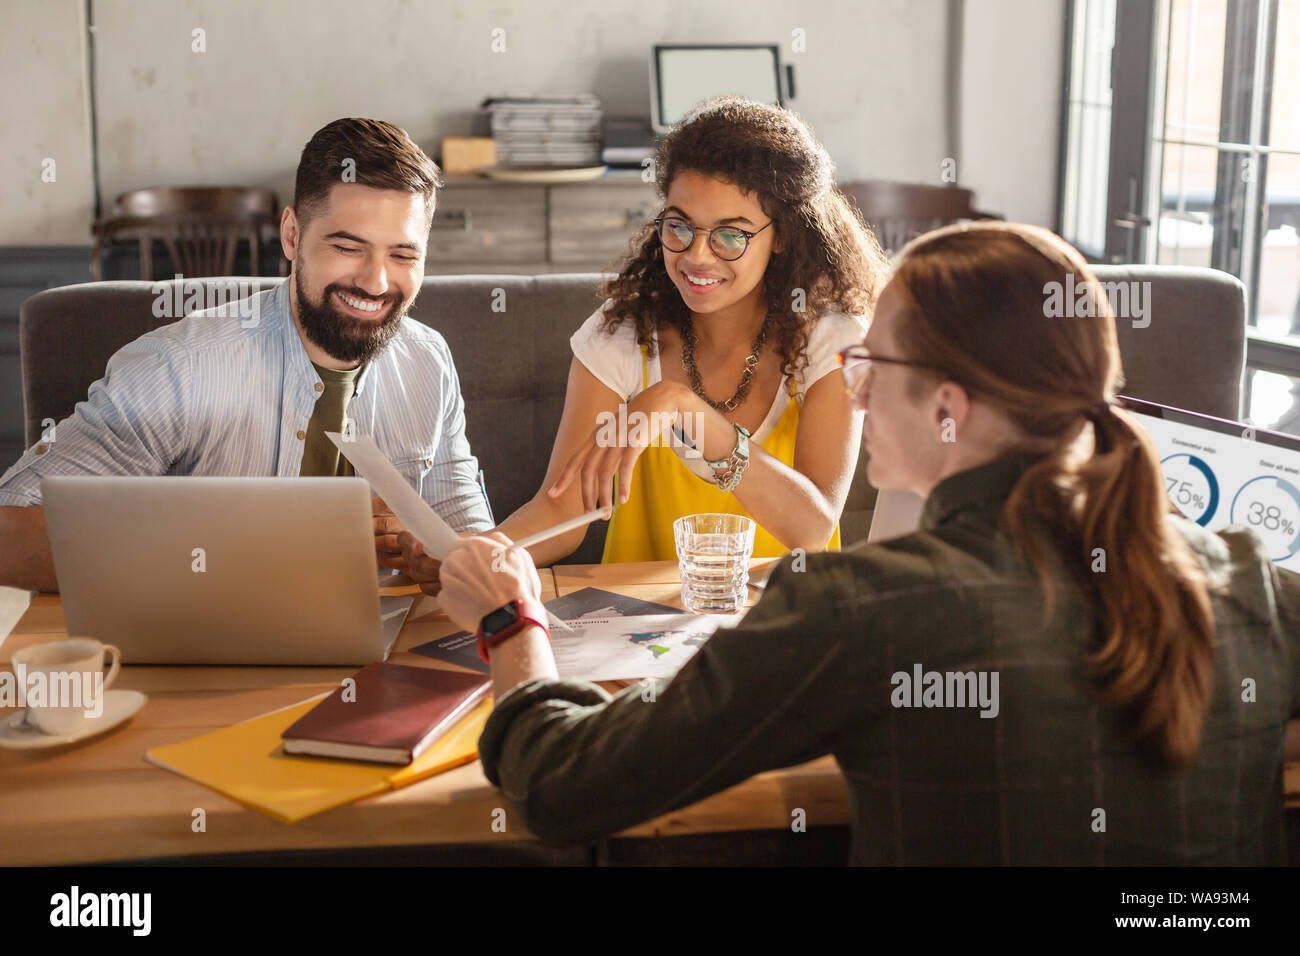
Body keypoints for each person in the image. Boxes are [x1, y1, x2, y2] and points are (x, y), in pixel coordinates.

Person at [435, 221, 1300, 865]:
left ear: (948, 408)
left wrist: (511, 622)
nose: (850, 397)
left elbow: (562, 786)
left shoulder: (865, 604)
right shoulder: (1249, 578)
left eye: (870, 369)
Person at [401, 97, 887, 584]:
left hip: (784, 621)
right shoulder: (622, 334)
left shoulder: (829, 338)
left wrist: (685, 409)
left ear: (781, 235)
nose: (696, 256)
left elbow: (812, 527)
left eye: (730, 236)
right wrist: (477, 554)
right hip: (635, 630)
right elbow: (564, 510)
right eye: (679, 226)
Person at [0, 118, 492, 593]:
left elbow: (463, 523)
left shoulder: (428, 361)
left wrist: (454, 561)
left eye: (403, 256)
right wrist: (288, 534)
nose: (376, 282)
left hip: (386, 656)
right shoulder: (182, 367)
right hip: (205, 656)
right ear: (292, 236)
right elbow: (12, 538)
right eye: (348, 247)